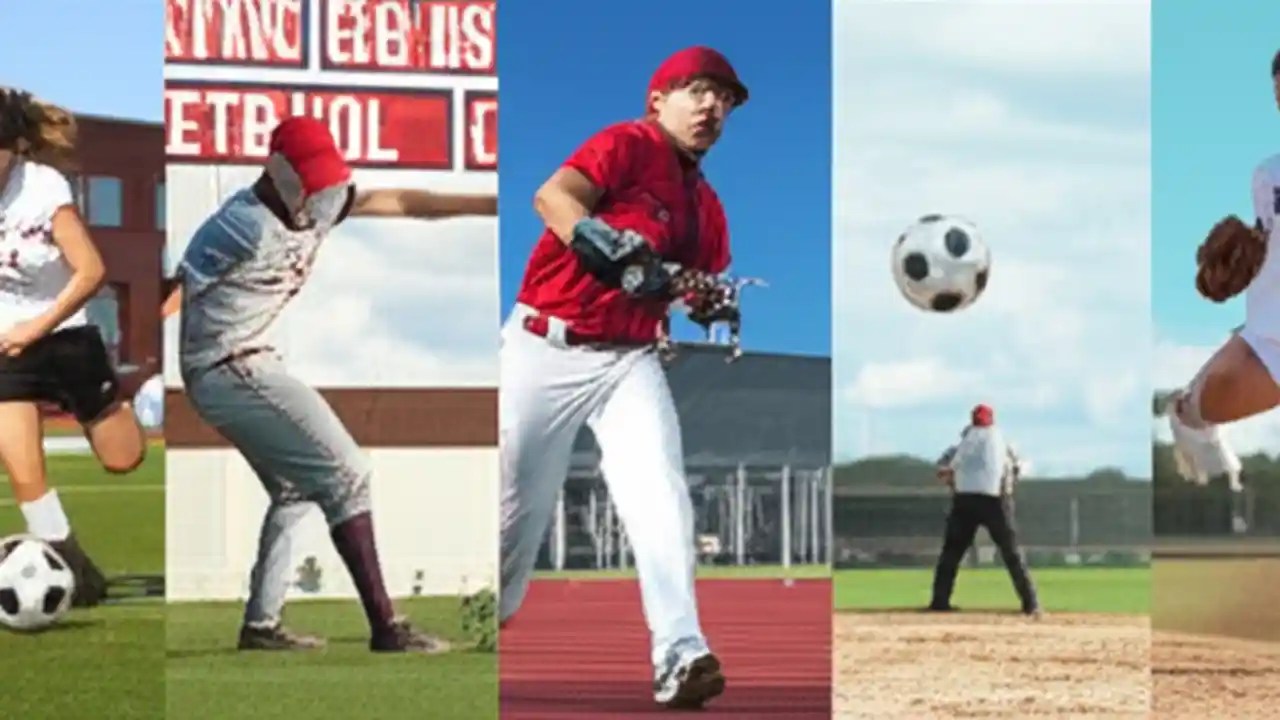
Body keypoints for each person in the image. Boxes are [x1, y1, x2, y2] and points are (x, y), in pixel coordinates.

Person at [166, 115, 497, 653]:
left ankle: (261, 626)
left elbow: (411, 204)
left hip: (250, 363)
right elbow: (176, 287)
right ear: (279, 172)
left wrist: (490, 205)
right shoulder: (238, 225)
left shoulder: (321, 203)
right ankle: (387, 628)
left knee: (296, 490)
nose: (322, 193)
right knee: (348, 473)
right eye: (310, 179)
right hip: (226, 368)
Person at [498, 46, 747, 709]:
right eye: (697, 90)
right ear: (658, 99)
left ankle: (681, 651)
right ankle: (487, 617)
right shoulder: (627, 145)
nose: (712, 106)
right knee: (512, 519)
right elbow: (553, 196)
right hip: (542, 344)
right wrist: (598, 241)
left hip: (628, 359)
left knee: (661, 497)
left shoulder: (709, 209)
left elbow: (694, 288)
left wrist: (709, 300)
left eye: (724, 98)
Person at [0, 88, 150, 607]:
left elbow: (92, 272)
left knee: (123, 457)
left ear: (15, 148)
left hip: (65, 334)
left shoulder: (42, 187)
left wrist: (36, 327)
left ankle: (117, 399)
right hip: (8, 347)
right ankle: (75, 572)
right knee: (23, 470)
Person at [1168, 50, 1280, 447]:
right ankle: (1197, 439)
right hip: (1269, 328)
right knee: (1198, 405)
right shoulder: (1269, 174)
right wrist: (1251, 248)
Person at [929, 404, 1040, 618]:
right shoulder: (1001, 444)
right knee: (1011, 553)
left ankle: (940, 600)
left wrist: (953, 478)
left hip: (965, 501)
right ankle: (1030, 603)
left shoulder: (961, 446)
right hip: (996, 501)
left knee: (952, 552)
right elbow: (1017, 469)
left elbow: (943, 469)